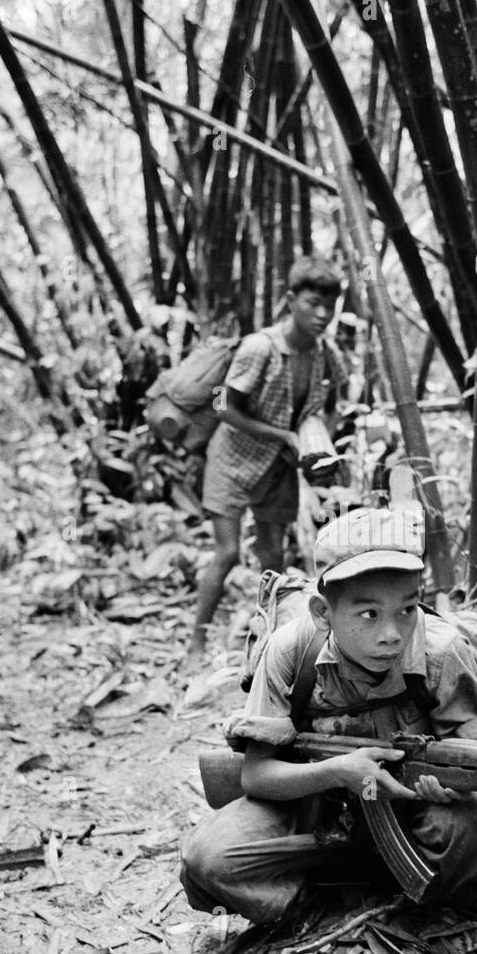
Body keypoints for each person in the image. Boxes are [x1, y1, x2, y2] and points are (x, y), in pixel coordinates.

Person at [180, 508, 477, 922]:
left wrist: (452, 789)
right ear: (323, 613)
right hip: (311, 808)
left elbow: (469, 760)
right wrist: (338, 772)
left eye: (407, 609)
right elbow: (256, 775)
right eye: (369, 614)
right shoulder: (290, 651)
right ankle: (325, 891)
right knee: (208, 860)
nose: (392, 633)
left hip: (410, 811)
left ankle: (378, 879)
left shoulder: (442, 651)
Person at [186, 257, 346, 666]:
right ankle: (196, 646)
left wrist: (316, 437)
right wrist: (283, 435)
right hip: (232, 461)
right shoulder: (260, 347)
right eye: (313, 303)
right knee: (227, 553)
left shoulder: (326, 354)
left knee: (273, 558)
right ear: (290, 300)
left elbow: (331, 406)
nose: (323, 314)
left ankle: (269, 645)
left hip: (278, 467)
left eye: (330, 305)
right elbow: (222, 404)